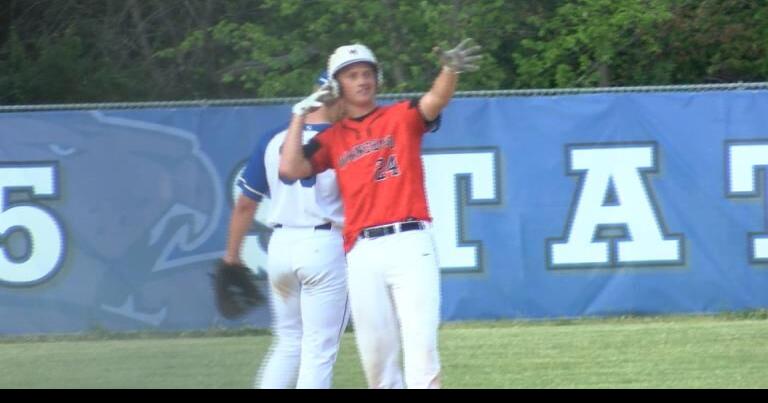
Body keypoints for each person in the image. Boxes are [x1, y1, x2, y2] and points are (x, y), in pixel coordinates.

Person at [279, 39, 481, 388]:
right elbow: (290, 169)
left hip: (410, 241)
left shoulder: (400, 116)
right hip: (362, 251)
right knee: (377, 358)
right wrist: (299, 115)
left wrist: (450, 69)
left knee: (421, 349)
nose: (361, 80)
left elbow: (435, 100)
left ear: (378, 78)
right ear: (335, 85)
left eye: (367, 73)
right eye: (351, 75)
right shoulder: (332, 138)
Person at [222, 72, 349, 389]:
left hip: (280, 248)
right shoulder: (346, 139)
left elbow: (245, 206)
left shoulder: (275, 138)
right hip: (324, 245)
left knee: (289, 341)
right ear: (337, 97)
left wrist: (231, 256)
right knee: (319, 349)